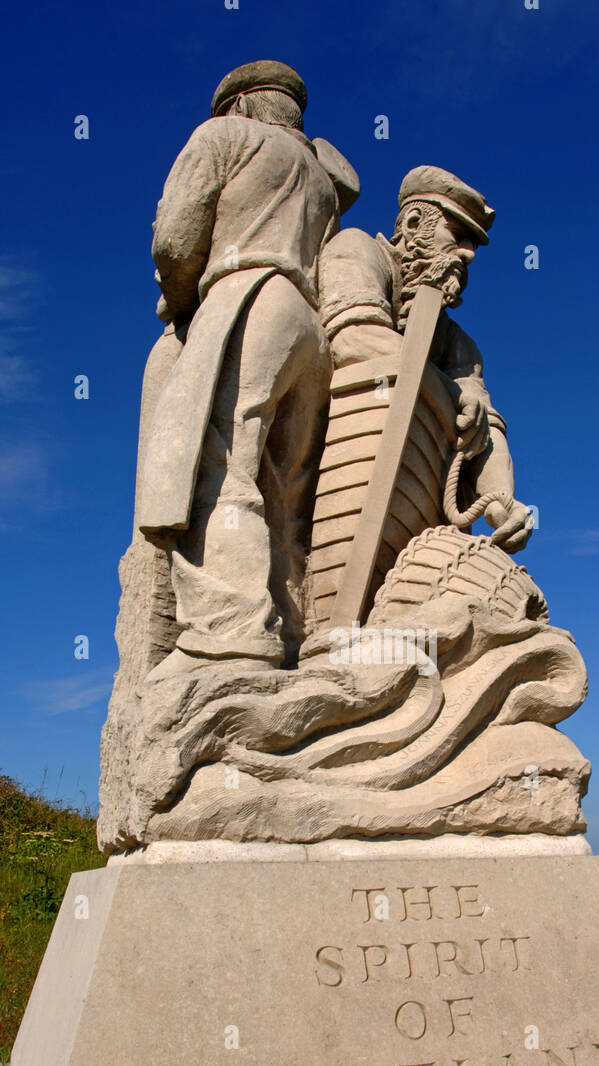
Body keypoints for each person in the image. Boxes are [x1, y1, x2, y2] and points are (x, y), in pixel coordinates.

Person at [137, 60, 357, 676]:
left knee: (220, 463)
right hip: (310, 325)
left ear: (236, 105)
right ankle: (285, 636)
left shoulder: (223, 137)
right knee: (285, 490)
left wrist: (181, 300)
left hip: (246, 295)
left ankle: (229, 635)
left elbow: (175, 240)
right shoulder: (321, 179)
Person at [317, 165, 532, 553]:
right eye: (458, 235)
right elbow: (354, 338)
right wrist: (452, 395)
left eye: (475, 245)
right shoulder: (358, 250)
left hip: (413, 512)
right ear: (414, 222)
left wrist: (499, 498)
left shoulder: (454, 341)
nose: (467, 254)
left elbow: (485, 421)